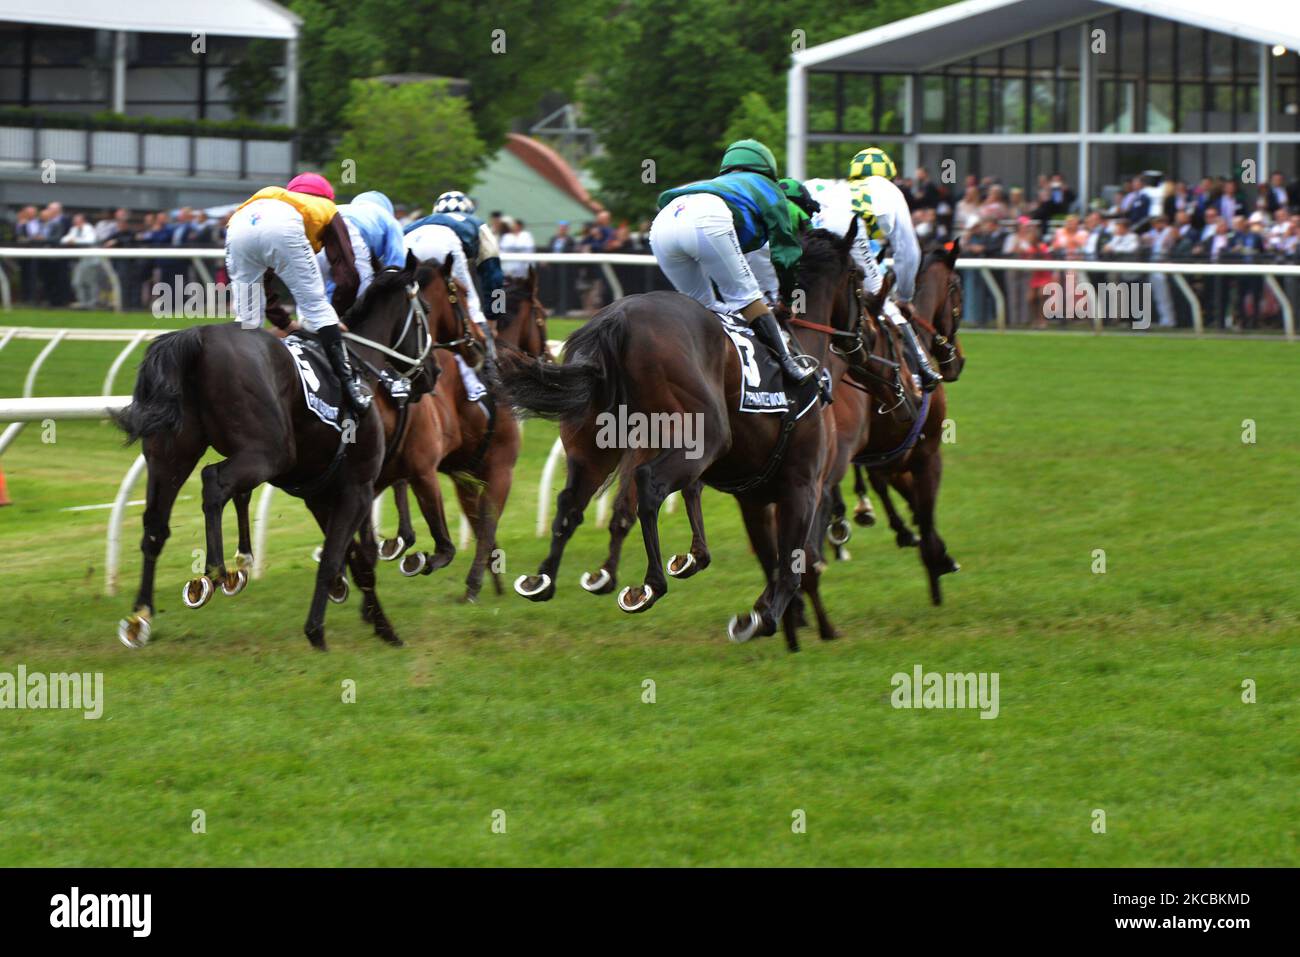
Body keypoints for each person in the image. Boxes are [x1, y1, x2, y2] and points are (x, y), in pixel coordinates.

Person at [651, 138, 811, 386]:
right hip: (707, 218)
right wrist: (788, 298)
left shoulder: (717, 183)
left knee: (703, 308)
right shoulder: (768, 187)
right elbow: (785, 253)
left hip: (663, 222)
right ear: (768, 170)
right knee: (747, 298)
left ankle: (693, 370)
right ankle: (789, 364)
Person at [225, 171, 369, 411]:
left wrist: (284, 323)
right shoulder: (326, 208)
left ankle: (236, 386)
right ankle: (350, 389)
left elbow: (266, 283)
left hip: (238, 224)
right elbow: (347, 273)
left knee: (248, 319)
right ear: (327, 197)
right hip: (280, 228)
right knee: (316, 307)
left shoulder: (276, 199)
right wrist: (335, 317)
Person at [807, 146, 941, 391]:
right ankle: (922, 368)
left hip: (814, 234)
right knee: (885, 304)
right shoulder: (889, 190)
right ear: (888, 175)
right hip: (847, 231)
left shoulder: (839, 188)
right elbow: (908, 251)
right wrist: (904, 297)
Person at [403, 190, 505, 364]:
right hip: (447, 243)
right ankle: (491, 371)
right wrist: (493, 318)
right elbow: (494, 277)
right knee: (471, 305)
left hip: (407, 242)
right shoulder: (478, 224)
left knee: (408, 302)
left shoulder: (417, 223)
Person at [314, 190, 406, 303]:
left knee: (316, 301)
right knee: (364, 304)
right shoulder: (388, 218)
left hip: (318, 234)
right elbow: (396, 263)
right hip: (351, 236)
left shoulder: (346, 208)